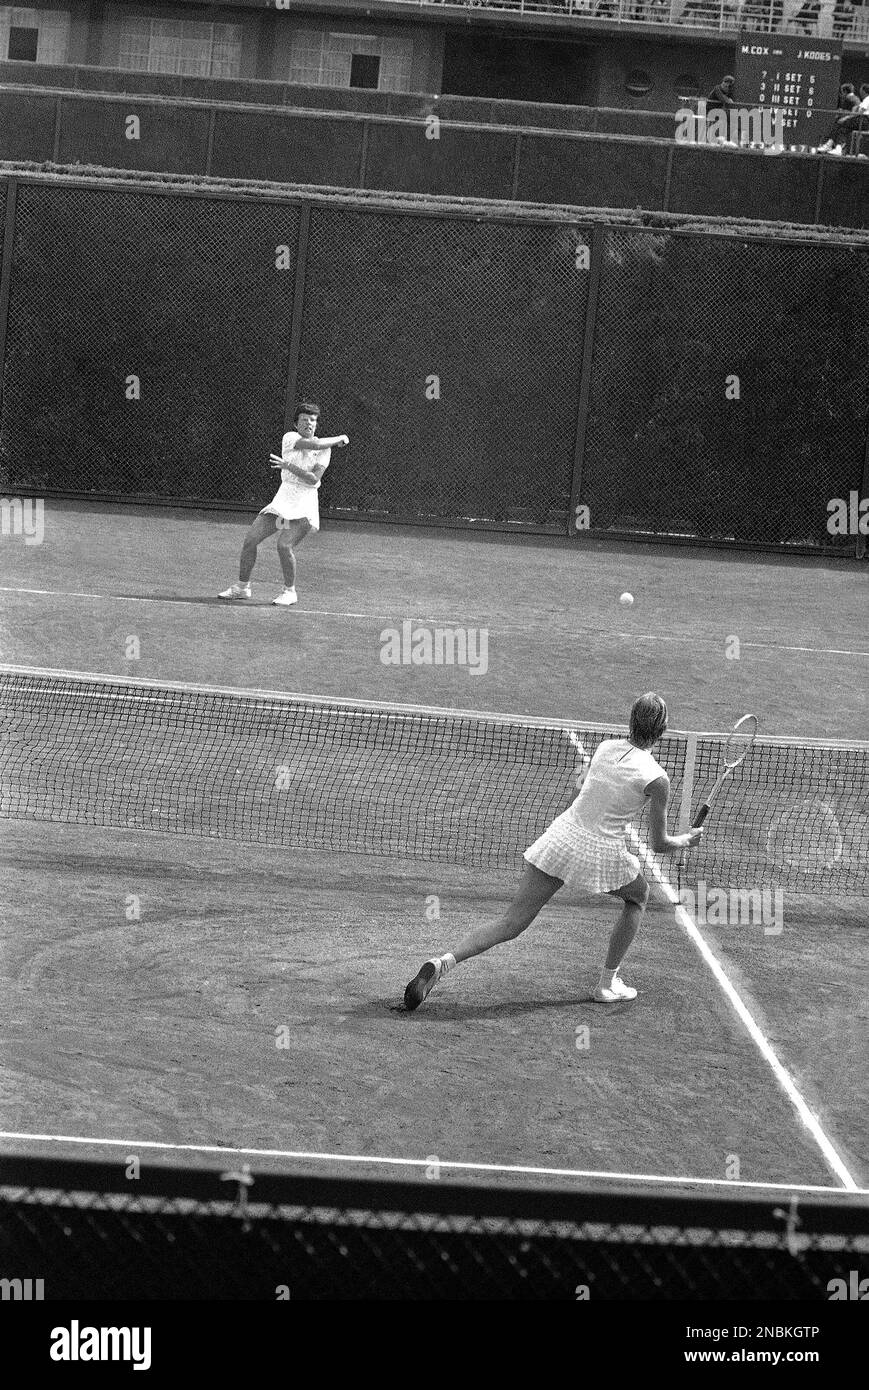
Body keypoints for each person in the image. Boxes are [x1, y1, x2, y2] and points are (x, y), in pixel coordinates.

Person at [403, 692, 704, 1011]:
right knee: (638, 896)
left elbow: (583, 792)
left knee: (512, 923)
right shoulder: (658, 779)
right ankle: (606, 983)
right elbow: (659, 844)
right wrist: (687, 840)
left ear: (631, 720)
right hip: (597, 852)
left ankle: (442, 963)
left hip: (562, 837)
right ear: (663, 730)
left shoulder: (605, 748)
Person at [218, 403, 349, 606]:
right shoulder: (290, 437)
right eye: (304, 420)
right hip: (283, 502)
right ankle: (242, 588)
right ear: (296, 424)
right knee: (251, 540)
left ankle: (290, 592)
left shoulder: (326, 450)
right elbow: (314, 445)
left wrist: (288, 465)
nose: (309, 424)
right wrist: (340, 439)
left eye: (313, 420)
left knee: (284, 545)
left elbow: (313, 479)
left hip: (304, 505)